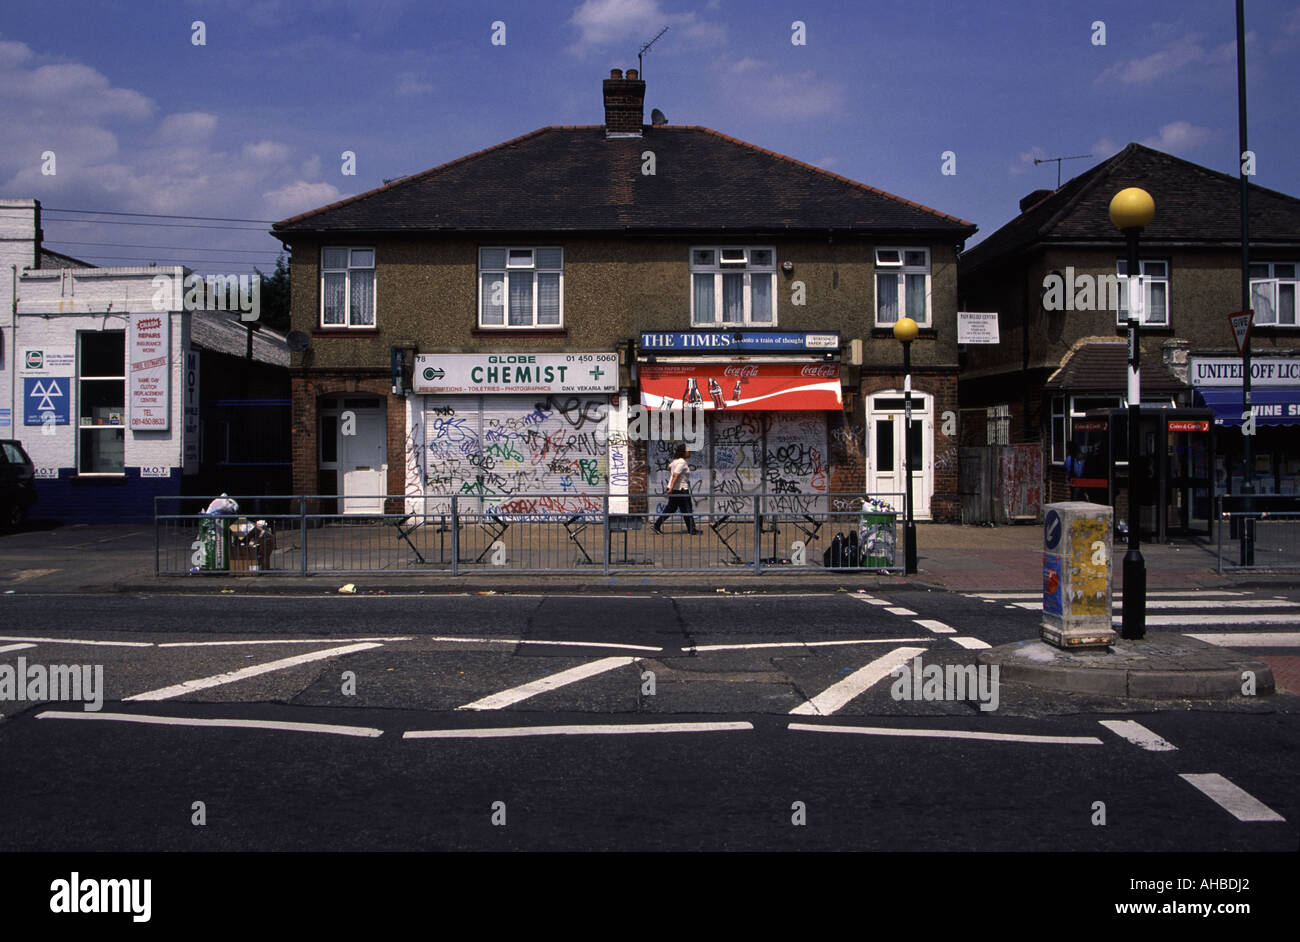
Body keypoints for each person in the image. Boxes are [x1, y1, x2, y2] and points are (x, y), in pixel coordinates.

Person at [653, 444, 699, 534]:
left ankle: (656, 525)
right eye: (688, 451)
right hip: (681, 490)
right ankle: (692, 529)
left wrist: (671, 486)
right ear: (683, 452)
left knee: (671, 508)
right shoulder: (682, 462)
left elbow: (669, 468)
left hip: (676, 489)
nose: (689, 453)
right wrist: (671, 487)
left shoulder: (675, 461)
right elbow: (675, 475)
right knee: (687, 509)